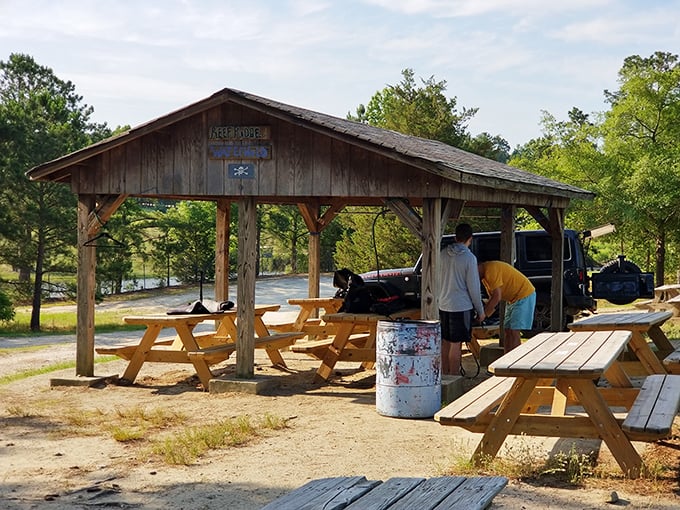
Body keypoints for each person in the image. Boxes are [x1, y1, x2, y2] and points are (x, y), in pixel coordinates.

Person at [438, 223, 486, 376]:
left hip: (443, 303)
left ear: (455, 237)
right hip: (461, 306)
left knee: (444, 341)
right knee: (456, 344)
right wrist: (480, 310)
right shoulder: (469, 258)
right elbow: (473, 287)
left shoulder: (442, 254)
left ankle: (443, 376)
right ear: (470, 239)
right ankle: (454, 377)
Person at [478, 260, 536, 353]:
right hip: (512, 300)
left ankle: (515, 361)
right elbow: (492, 298)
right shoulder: (485, 277)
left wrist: (483, 315)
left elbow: (497, 297)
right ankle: (506, 359)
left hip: (524, 294)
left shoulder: (490, 270)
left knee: (514, 331)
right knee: (507, 330)